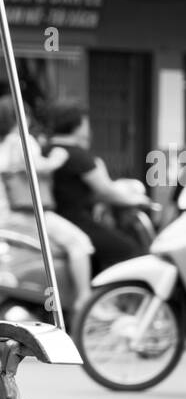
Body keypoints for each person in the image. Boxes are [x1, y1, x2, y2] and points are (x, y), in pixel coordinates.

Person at [0, 95, 95, 301]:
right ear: (19, 118)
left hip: (0, 218)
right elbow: (36, 167)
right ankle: (84, 299)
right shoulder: (22, 141)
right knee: (80, 243)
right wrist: (57, 159)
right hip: (29, 215)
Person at [46, 100, 149, 271]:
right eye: (86, 123)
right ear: (78, 125)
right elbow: (106, 191)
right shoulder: (78, 156)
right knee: (129, 249)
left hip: (54, 219)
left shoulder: (46, 150)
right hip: (76, 221)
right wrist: (136, 200)